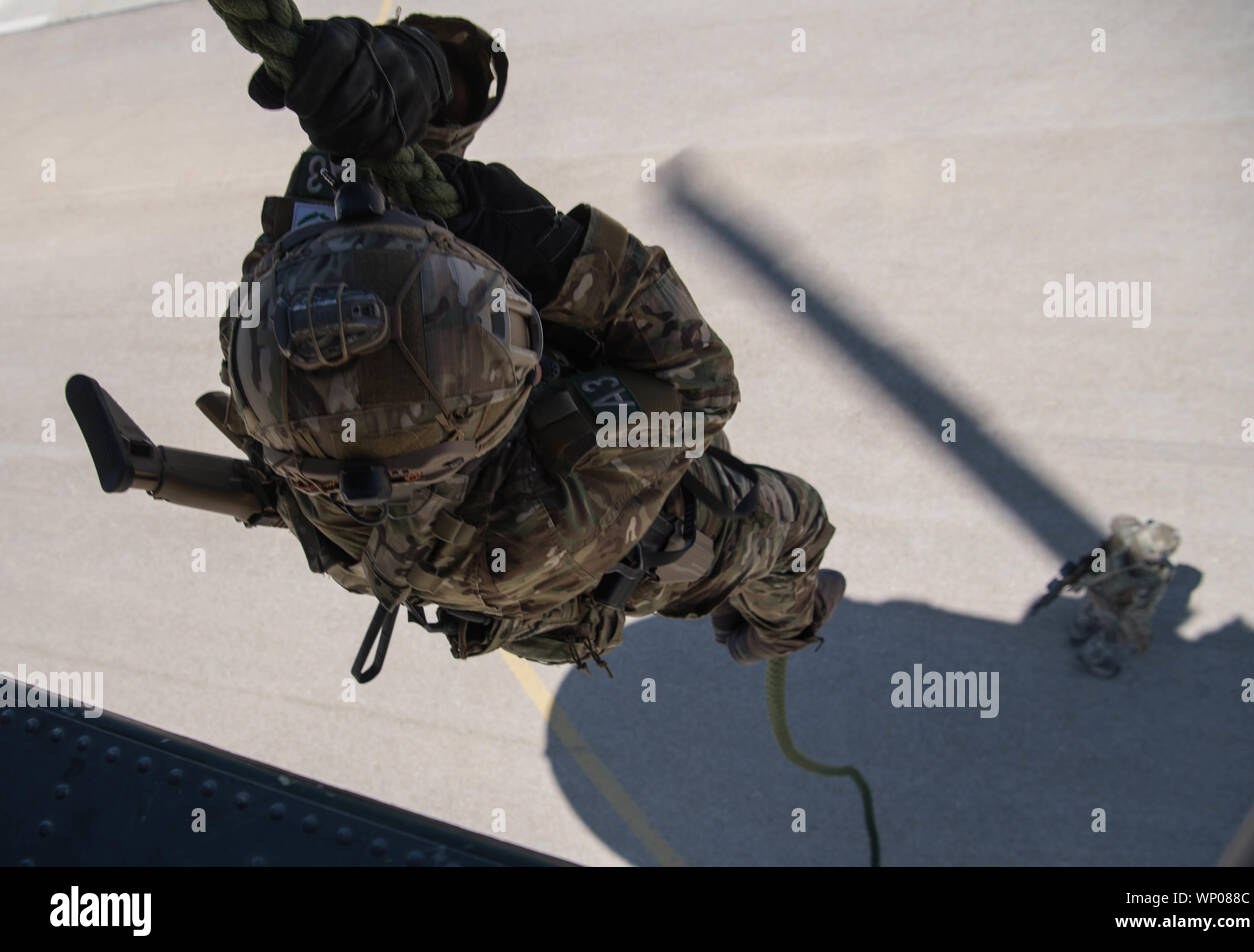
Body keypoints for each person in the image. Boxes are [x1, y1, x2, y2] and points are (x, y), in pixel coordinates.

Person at [212, 13, 845, 678]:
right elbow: (699, 385)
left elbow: (330, 233)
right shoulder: (546, 511)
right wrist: (545, 247)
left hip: (443, 553)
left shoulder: (278, 363)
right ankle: (781, 624)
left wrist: (410, 72)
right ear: (482, 425)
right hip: (613, 538)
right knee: (795, 520)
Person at [1069, 516, 1180, 678]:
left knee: (1089, 610)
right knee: (1111, 633)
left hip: (1096, 586)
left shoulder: (1124, 536)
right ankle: (1093, 657)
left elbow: (1114, 529)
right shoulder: (1154, 576)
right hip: (1114, 605)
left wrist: (1091, 571)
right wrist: (1138, 632)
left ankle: (1078, 631)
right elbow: (1141, 608)